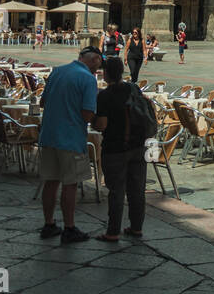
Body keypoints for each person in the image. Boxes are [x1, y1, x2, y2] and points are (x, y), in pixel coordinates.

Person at [36, 46, 101, 244]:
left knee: (50, 181)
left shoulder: (57, 71)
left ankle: (48, 224)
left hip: (48, 136)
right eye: (99, 63)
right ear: (95, 60)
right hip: (70, 138)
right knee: (70, 184)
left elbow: (42, 102)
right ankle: (69, 228)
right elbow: (88, 113)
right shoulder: (88, 79)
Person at [93, 57, 149, 243]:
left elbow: (101, 125)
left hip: (115, 149)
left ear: (106, 73)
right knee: (137, 190)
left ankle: (113, 231)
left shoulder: (104, 96)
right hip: (138, 146)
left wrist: (91, 120)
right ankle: (136, 228)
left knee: (116, 190)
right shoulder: (134, 89)